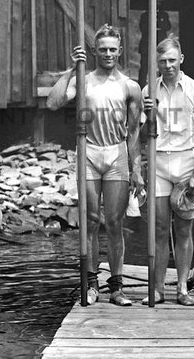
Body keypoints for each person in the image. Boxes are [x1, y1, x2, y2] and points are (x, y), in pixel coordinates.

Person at [46, 24, 143, 306]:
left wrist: (136, 168)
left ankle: (117, 287)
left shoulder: (130, 86)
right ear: (94, 52)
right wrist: (71, 68)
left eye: (113, 49)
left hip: (116, 155)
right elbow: (53, 102)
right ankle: (91, 285)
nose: (108, 54)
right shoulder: (84, 79)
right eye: (103, 50)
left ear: (120, 51)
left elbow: (134, 130)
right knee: (89, 222)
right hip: (88, 152)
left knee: (114, 223)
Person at [140, 37, 194, 306]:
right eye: (162, 61)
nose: (167, 65)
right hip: (159, 163)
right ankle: (157, 288)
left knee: (184, 229)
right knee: (158, 229)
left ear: (181, 59)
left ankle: (182, 288)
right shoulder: (150, 90)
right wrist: (148, 114)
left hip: (185, 162)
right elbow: (144, 134)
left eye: (172, 60)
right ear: (157, 63)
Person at [138, 0, 171, 87]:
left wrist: (159, 21)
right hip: (147, 43)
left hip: (161, 43)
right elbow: (142, 28)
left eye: (158, 1)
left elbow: (168, 27)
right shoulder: (144, 15)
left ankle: (162, 85)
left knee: (163, 64)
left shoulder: (164, 15)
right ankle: (141, 86)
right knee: (144, 66)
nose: (157, 3)